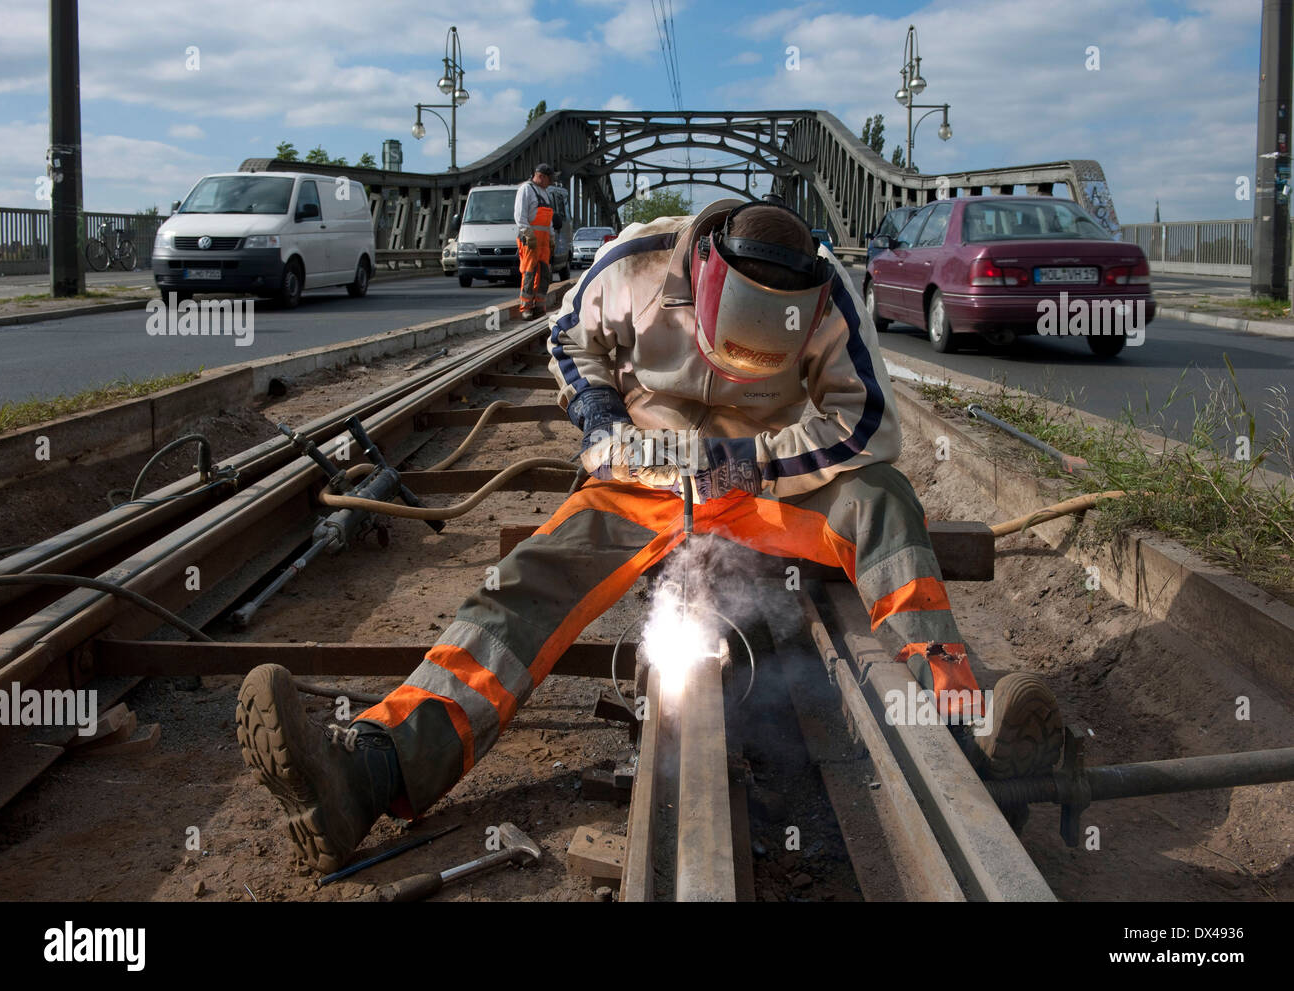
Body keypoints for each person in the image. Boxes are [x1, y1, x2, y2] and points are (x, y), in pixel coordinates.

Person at [236, 198, 1064, 873]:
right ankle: (375, 766)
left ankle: (966, 722)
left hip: (761, 482)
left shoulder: (828, 292)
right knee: (532, 580)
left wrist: (750, 461)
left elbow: (867, 423)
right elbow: (567, 336)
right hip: (646, 475)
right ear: (700, 284)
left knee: (883, 500)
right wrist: (597, 418)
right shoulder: (634, 262)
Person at [514, 163, 556, 320]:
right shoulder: (526, 189)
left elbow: (549, 219)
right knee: (529, 272)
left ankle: (539, 305)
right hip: (531, 238)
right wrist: (527, 234)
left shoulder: (545, 193)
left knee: (544, 272)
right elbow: (520, 215)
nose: (551, 182)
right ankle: (526, 307)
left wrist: (551, 237)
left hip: (544, 240)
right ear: (541, 176)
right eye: (549, 178)